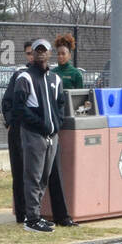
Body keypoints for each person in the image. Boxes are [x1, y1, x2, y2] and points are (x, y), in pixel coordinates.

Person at [11, 38, 64, 234]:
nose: (41, 53)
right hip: (34, 135)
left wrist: (56, 125)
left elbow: (60, 105)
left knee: (44, 177)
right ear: (32, 54)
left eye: (44, 50)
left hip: (52, 136)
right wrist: (39, 124)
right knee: (32, 177)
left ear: (50, 53)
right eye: (37, 50)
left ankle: (36, 214)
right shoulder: (24, 78)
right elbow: (19, 108)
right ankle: (31, 218)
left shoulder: (55, 79)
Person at [45, 33, 81, 227]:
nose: (60, 57)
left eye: (63, 54)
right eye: (58, 54)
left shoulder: (75, 74)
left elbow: (81, 98)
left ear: (69, 54)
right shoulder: (52, 73)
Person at [2, 40, 34, 224]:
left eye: (35, 53)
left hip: (36, 131)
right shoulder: (19, 75)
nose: (32, 56)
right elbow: (7, 102)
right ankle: (21, 214)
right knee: (19, 172)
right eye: (29, 53)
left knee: (35, 173)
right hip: (18, 131)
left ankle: (35, 211)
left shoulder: (47, 76)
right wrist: (10, 123)